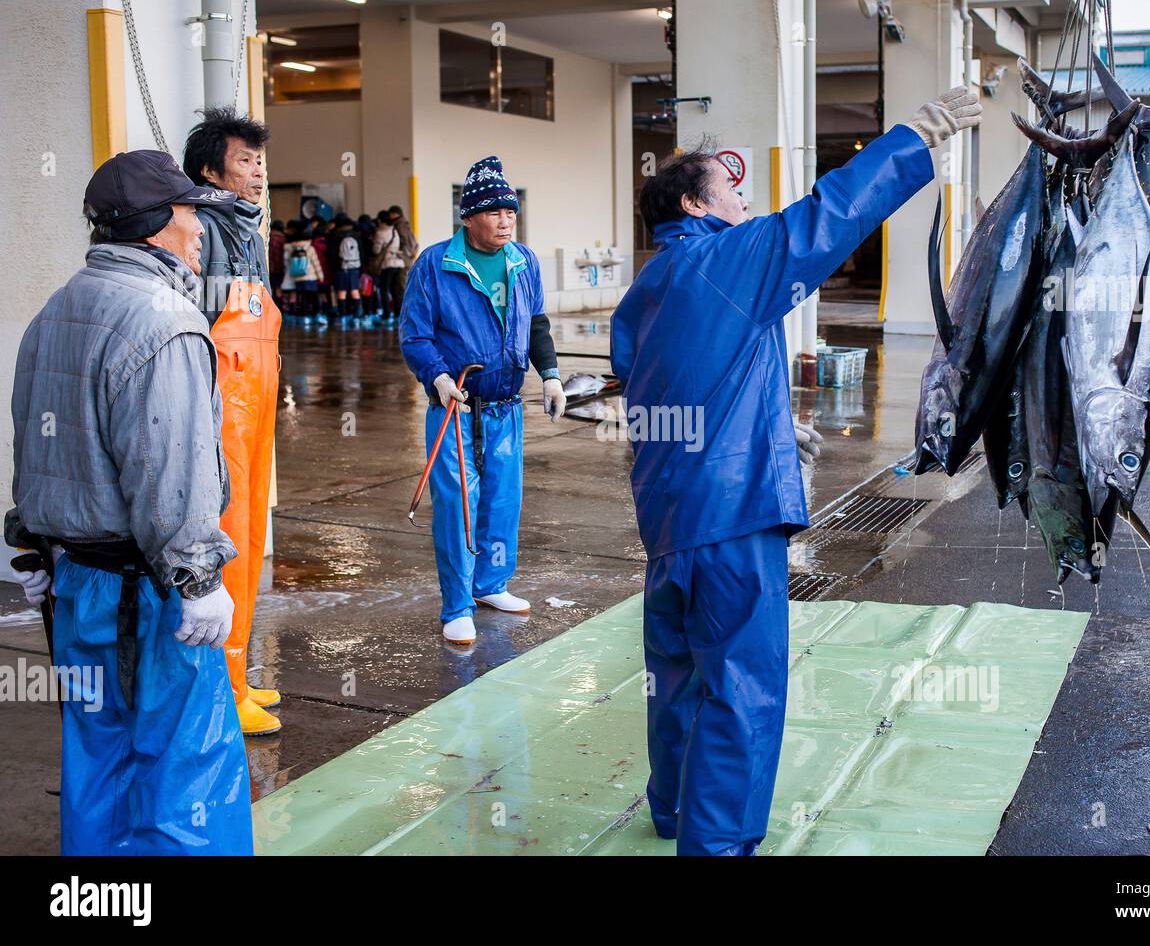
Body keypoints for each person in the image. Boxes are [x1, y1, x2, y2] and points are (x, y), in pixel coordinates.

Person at [609, 87, 982, 855]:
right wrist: (910, 141)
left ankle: (673, 809)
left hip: (669, 520)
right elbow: (826, 217)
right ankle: (715, 845)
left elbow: (672, 380)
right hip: (734, 518)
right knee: (741, 689)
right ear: (695, 204)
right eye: (732, 188)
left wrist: (772, 425)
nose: (745, 199)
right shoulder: (729, 258)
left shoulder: (646, 290)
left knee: (675, 675)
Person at [9, 150, 252, 854]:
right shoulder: (165, 321)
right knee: (185, 774)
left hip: (75, 589)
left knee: (95, 762)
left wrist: (32, 543)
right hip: (150, 593)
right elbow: (167, 467)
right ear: (156, 226)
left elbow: (36, 445)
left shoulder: (54, 313)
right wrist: (199, 577)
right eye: (189, 212)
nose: (200, 227)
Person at [400, 156, 567, 644]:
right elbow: (415, 337)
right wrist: (437, 377)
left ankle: (490, 583)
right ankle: (456, 604)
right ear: (468, 216)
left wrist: (551, 376)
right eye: (494, 211)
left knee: (501, 501)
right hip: (455, 409)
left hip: (505, 408)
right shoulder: (436, 263)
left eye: (510, 210)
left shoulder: (524, 260)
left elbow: (536, 323)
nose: (505, 219)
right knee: (458, 506)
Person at [182, 106, 284, 736]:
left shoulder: (250, 230)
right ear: (210, 171)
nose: (257, 173)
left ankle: (239, 675)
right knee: (228, 541)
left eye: (259, 162)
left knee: (248, 540)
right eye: (244, 161)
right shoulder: (206, 231)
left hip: (259, 405)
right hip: (225, 413)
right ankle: (222, 689)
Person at [283, 218, 324, 322]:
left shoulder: (291, 248)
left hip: (297, 277)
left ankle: (305, 317)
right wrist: (320, 276)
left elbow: (286, 261)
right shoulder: (309, 248)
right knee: (314, 296)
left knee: (303, 297)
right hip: (310, 276)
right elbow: (316, 263)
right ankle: (317, 314)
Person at [329, 214, 364, 322]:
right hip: (355, 267)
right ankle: (357, 316)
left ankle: (343, 316)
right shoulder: (356, 235)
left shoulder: (335, 235)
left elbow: (332, 253)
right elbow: (362, 253)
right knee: (355, 291)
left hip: (341, 268)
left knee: (341, 292)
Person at [268, 219, 286, 309]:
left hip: (269, 267)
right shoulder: (283, 238)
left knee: (269, 288)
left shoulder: (268, 236)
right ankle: (279, 308)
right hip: (280, 267)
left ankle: (270, 308)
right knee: (278, 289)